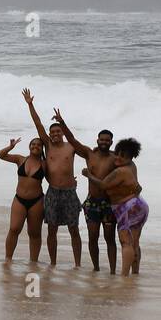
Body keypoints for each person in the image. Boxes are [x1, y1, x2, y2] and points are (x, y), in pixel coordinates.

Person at [52, 110, 121, 273]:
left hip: (109, 203)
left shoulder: (115, 158)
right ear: (97, 140)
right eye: (101, 139)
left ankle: (112, 271)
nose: (104, 142)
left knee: (110, 238)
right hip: (91, 202)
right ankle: (96, 269)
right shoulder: (89, 154)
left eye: (107, 140)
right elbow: (72, 140)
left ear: (111, 142)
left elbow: (126, 174)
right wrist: (62, 123)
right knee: (92, 237)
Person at [22, 89, 82, 267]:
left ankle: (77, 264)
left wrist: (62, 122)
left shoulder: (71, 146)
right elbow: (38, 123)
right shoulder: (47, 145)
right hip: (53, 193)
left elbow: (90, 155)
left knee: (74, 229)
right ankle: (53, 263)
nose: (55, 134)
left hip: (70, 193)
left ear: (62, 133)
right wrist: (30, 104)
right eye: (52, 132)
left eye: (58, 131)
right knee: (52, 230)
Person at [83, 138, 146, 277]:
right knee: (135, 242)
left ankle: (124, 276)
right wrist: (101, 150)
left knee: (126, 242)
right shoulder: (132, 165)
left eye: (123, 156)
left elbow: (103, 185)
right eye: (117, 153)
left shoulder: (120, 171)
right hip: (139, 205)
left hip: (127, 207)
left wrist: (88, 175)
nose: (118, 158)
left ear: (130, 158)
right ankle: (135, 274)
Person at [0, 136, 45, 261]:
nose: (35, 146)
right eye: (33, 144)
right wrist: (10, 147)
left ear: (42, 148)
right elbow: (0, 155)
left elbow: (56, 176)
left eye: (39, 145)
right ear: (29, 146)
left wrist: (70, 181)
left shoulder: (45, 164)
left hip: (37, 201)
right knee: (14, 229)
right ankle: (8, 259)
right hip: (19, 199)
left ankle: (33, 262)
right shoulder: (20, 159)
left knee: (34, 233)